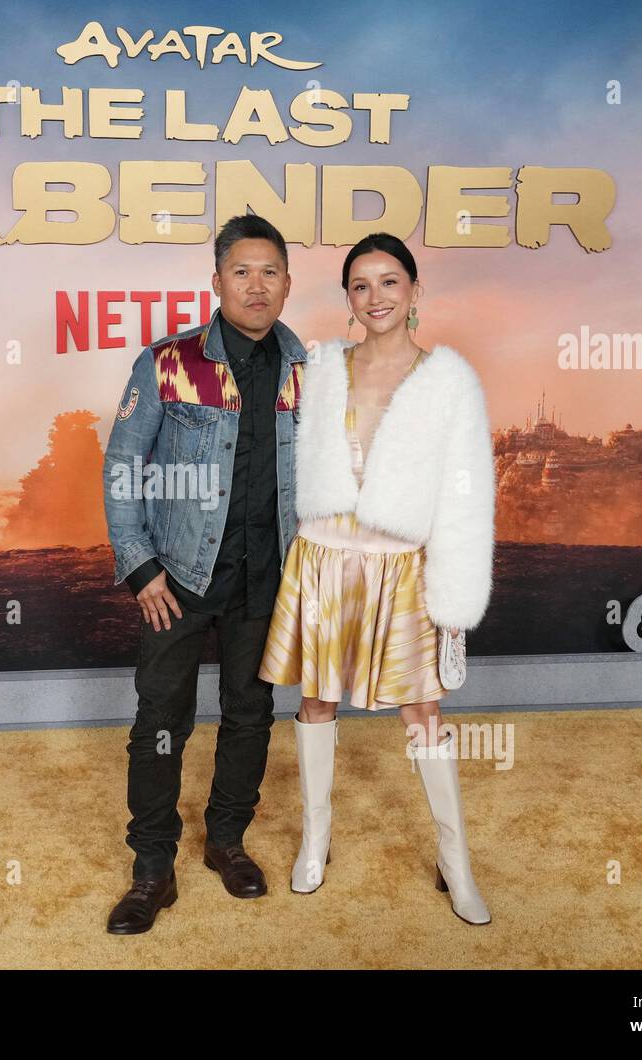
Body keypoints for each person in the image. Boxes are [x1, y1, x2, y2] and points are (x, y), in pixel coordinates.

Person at [258, 232, 497, 925]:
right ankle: (315, 841)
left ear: (415, 292)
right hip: (323, 559)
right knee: (316, 702)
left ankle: (456, 864)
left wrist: (452, 596)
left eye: (390, 282)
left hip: (402, 567)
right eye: (361, 285)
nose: (376, 297)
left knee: (422, 711)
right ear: (348, 299)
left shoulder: (450, 380)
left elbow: (466, 495)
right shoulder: (319, 367)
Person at [101, 213, 308, 935]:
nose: (257, 285)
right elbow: (124, 465)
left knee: (252, 713)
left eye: (270, 272)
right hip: (179, 578)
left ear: (288, 283)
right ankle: (152, 869)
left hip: (267, 579)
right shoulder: (166, 362)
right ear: (217, 281)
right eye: (242, 271)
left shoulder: (312, 373)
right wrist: (140, 567)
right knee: (161, 720)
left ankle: (226, 841)